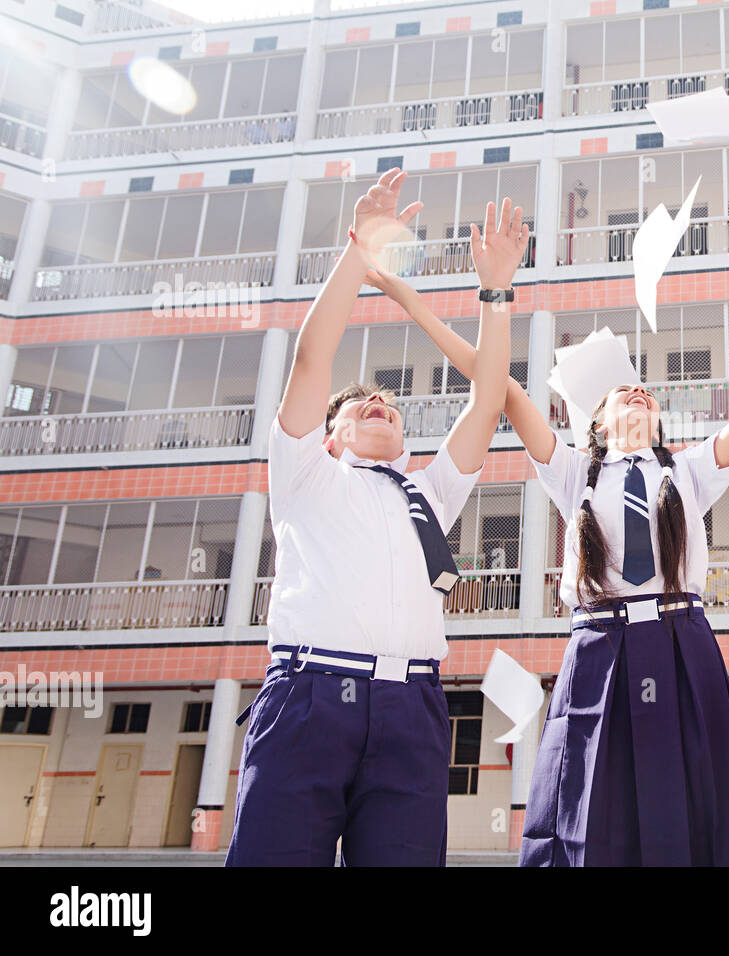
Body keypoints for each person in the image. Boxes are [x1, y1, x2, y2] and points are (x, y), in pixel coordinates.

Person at [364, 261, 729, 865]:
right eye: (624, 391)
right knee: (589, 795)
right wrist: (408, 296)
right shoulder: (575, 474)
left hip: (681, 640)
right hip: (600, 644)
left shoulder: (688, 472)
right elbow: (498, 385)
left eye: (648, 393)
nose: (640, 391)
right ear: (594, 424)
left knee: (696, 794)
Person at [224, 170, 531, 866]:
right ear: (326, 436)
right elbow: (312, 358)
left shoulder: (427, 494)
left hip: (413, 706)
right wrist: (358, 254)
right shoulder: (306, 475)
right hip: (308, 697)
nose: (378, 408)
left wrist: (496, 292)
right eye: (357, 408)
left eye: (390, 408)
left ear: (407, 439)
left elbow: (489, 401)